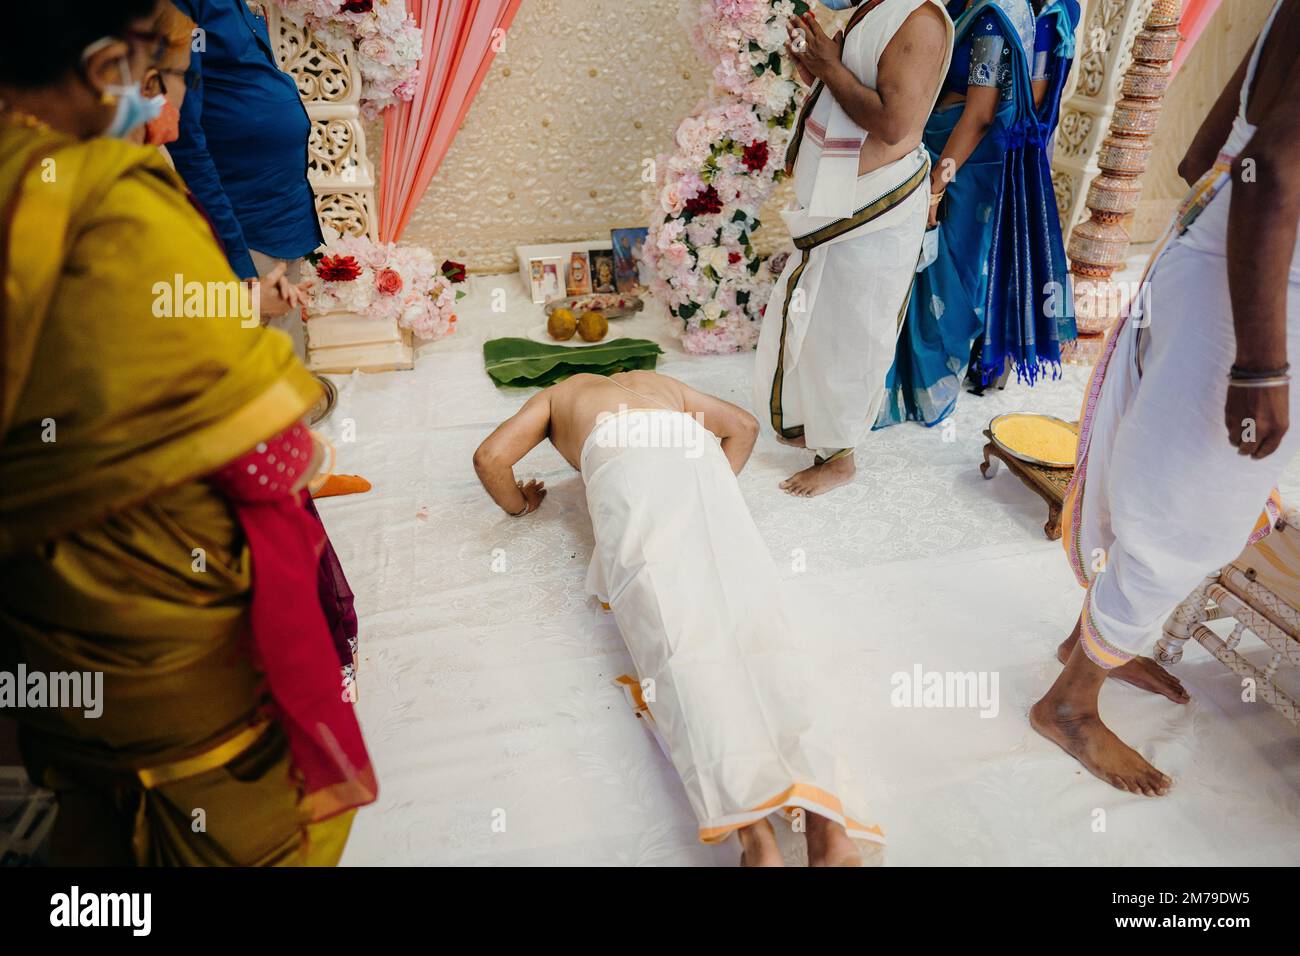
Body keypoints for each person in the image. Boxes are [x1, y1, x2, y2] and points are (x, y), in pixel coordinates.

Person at [0, 0, 375, 864]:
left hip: (49, 606)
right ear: (102, 65)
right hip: (161, 625)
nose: (162, 111)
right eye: (151, 76)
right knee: (242, 825)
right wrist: (305, 445)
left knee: (102, 805)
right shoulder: (108, 202)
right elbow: (268, 439)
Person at [1032, 0, 1300, 796]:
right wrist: (1260, 365)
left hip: (1223, 267)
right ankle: (1071, 704)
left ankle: (1092, 643)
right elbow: (1280, 173)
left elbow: (1208, 150)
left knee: (1173, 490)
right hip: (1255, 294)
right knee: (1193, 515)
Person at [473, 371, 882, 865]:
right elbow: (745, 428)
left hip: (629, 472)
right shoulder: (656, 382)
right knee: (759, 623)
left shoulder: (559, 395)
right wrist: (707, 498)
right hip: (696, 461)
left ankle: (756, 839)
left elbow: (490, 458)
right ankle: (828, 828)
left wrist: (520, 503)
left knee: (678, 639)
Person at [753, 0, 953, 498]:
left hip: (875, 209)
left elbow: (893, 124)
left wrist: (830, 67)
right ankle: (818, 429)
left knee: (852, 335)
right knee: (821, 324)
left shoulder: (920, 21)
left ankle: (840, 457)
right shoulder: (874, 7)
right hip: (839, 198)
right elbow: (847, 90)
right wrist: (812, 63)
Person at [875, 0, 1078, 428]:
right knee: (928, 267)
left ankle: (925, 386)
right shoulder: (965, 9)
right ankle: (897, 378)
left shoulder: (992, 19)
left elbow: (982, 113)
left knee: (944, 272)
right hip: (939, 145)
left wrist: (936, 186)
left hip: (963, 160)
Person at [169, 0, 320, 358]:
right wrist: (236, 258)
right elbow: (185, 134)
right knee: (259, 353)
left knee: (286, 335)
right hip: (243, 220)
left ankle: (301, 405)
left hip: (281, 208)